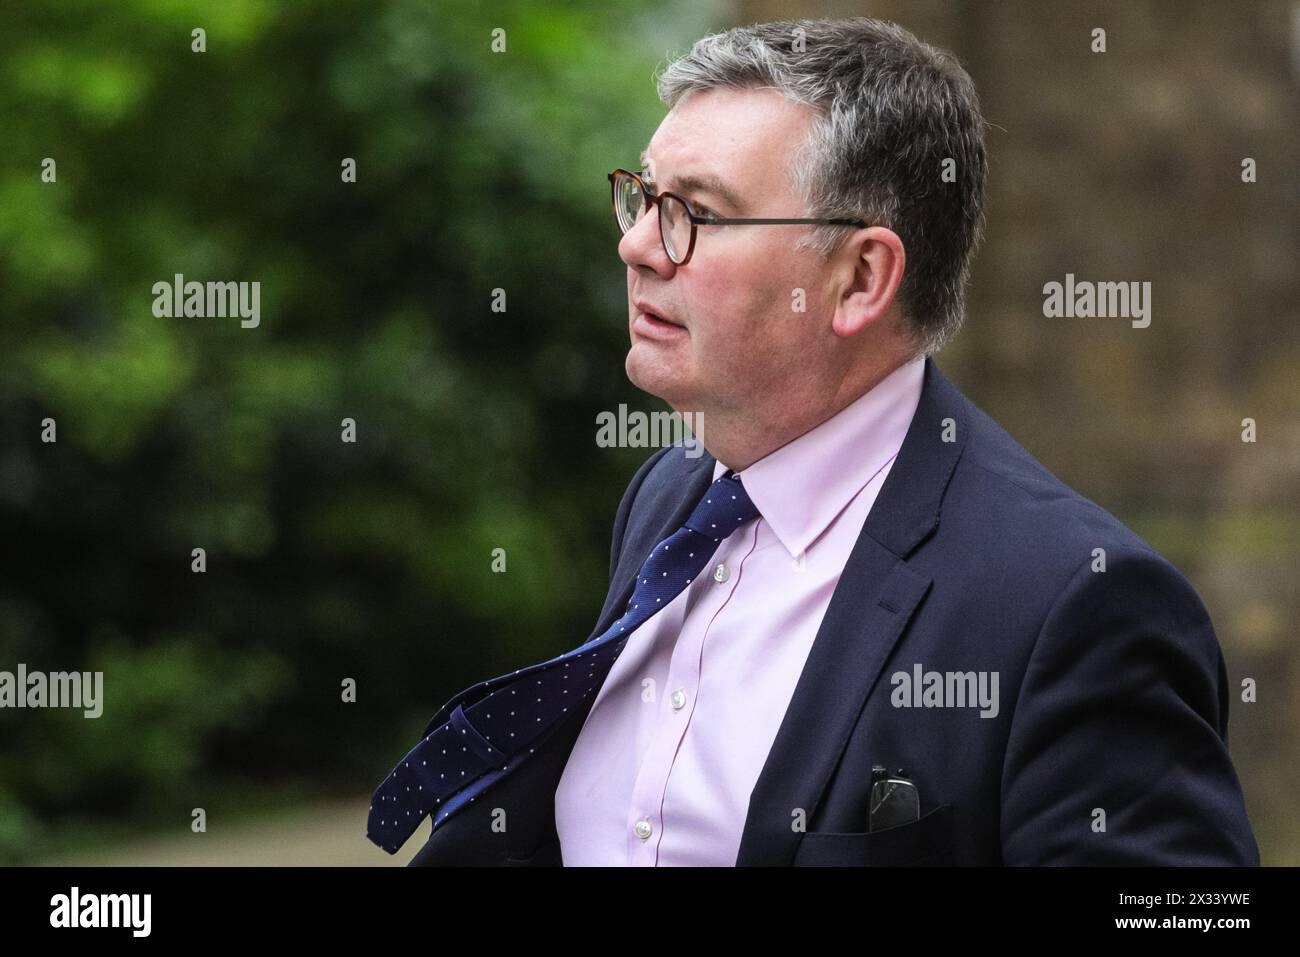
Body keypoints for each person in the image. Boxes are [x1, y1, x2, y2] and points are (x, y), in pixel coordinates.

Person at [368, 17, 1259, 866]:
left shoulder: (1076, 603)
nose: (638, 244)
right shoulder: (672, 497)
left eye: (696, 214)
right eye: (641, 196)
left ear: (859, 278)